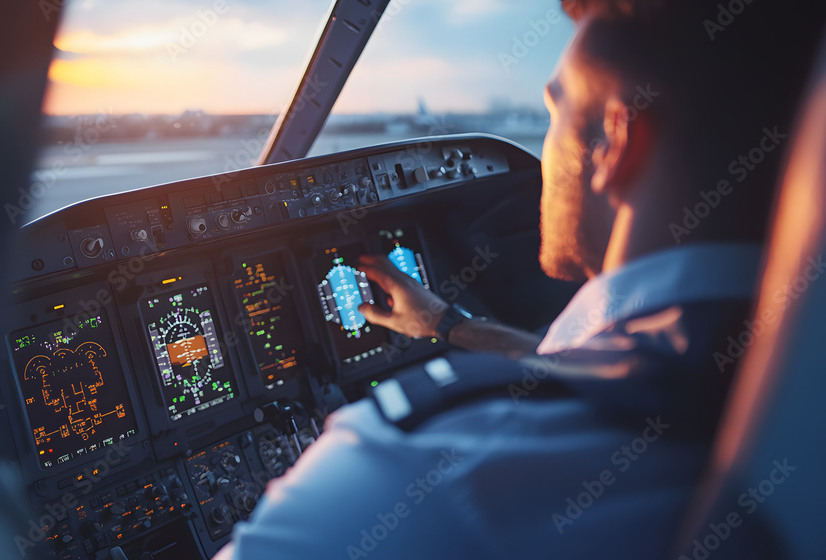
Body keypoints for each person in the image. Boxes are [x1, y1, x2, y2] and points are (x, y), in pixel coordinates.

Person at [215, 1, 822, 558]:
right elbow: (620, 378)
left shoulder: (427, 468)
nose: (549, 143)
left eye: (555, 111)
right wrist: (447, 325)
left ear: (615, 143)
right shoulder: (775, 375)